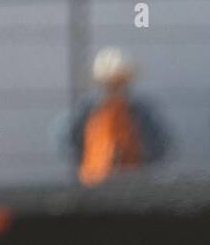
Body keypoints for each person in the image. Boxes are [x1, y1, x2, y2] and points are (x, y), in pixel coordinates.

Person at [63, 47, 169, 186]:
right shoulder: (88, 111)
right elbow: (69, 140)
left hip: (134, 184)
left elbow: (161, 145)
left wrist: (139, 155)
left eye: (119, 82)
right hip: (94, 184)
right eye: (110, 83)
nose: (115, 87)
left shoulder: (141, 112)